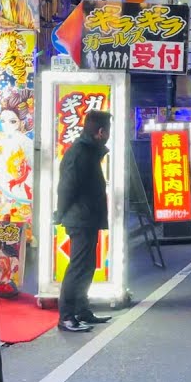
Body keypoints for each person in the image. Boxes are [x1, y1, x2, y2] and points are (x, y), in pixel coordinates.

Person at [53, 110, 113, 332]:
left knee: (87, 265)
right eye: (108, 131)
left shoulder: (89, 151)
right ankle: (66, 316)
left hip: (88, 217)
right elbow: (67, 187)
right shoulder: (79, 152)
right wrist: (61, 214)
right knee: (78, 267)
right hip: (80, 218)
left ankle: (81, 310)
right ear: (101, 132)